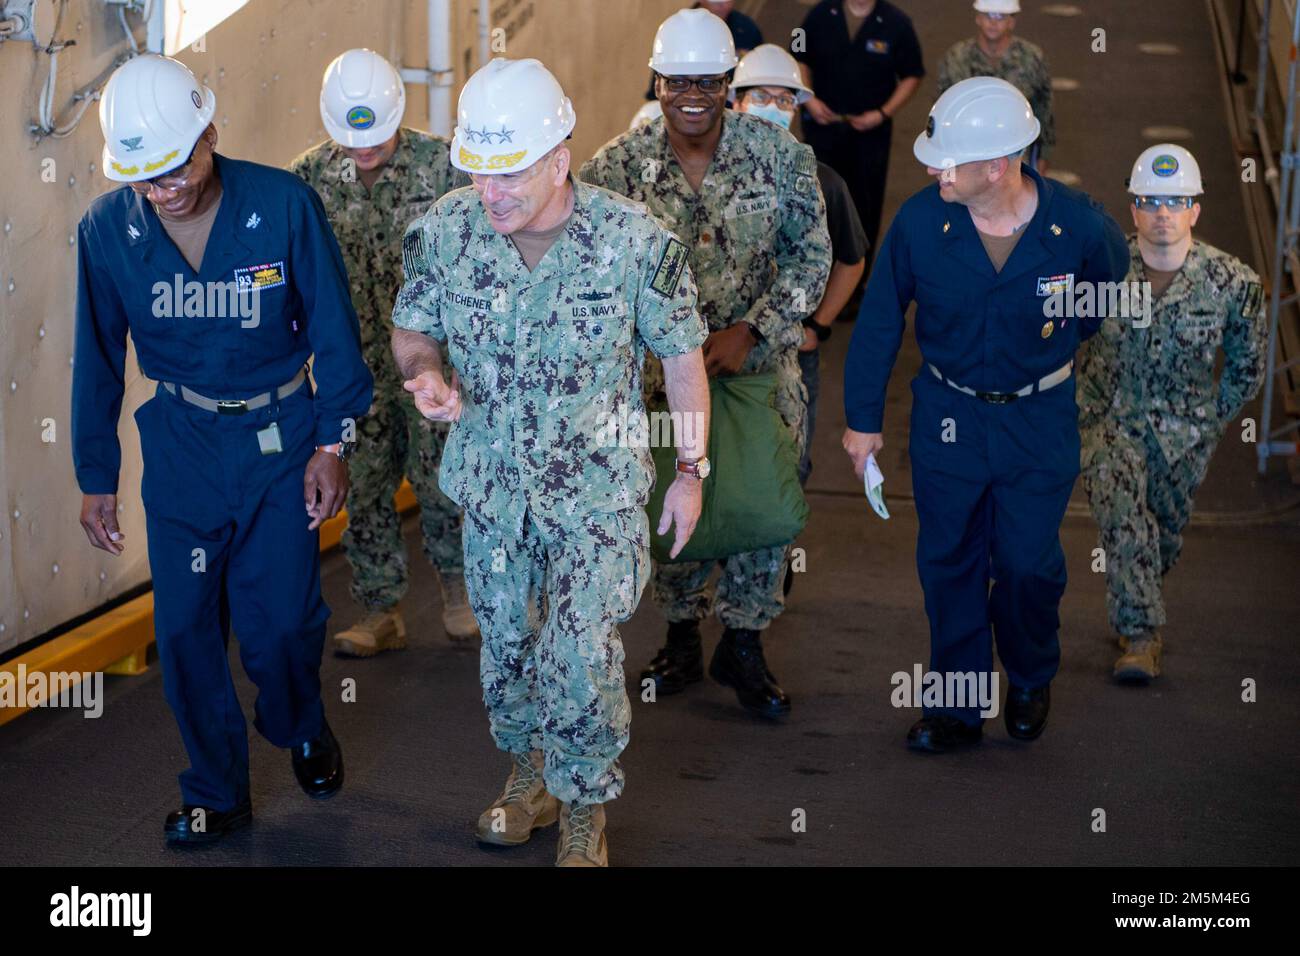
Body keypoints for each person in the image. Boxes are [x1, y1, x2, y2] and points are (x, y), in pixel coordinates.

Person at [390, 58, 710, 866]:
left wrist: (690, 471)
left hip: (595, 498)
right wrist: (424, 374)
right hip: (494, 491)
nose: (489, 192)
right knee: (508, 649)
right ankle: (528, 773)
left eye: (509, 174)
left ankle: (584, 803)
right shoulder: (446, 231)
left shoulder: (636, 241)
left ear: (560, 158)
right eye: (478, 172)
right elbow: (413, 327)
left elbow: (681, 360)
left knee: (578, 647)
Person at [72, 54, 373, 845]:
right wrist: (94, 475)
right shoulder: (107, 231)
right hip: (182, 449)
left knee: (281, 628)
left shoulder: (281, 204)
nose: (165, 187)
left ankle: (301, 722)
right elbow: (97, 359)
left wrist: (333, 441)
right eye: (146, 177)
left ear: (210, 132)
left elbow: (337, 336)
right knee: (183, 633)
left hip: (280, 443)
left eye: (177, 165)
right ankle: (216, 790)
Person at [841, 77, 1128, 753]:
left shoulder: (1078, 225)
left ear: (998, 166)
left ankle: (1029, 673)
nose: (934, 170)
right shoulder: (919, 223)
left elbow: (1104, 288)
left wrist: (1057, 341)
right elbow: (881, 322)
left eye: (949, 161)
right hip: (950, 419)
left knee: (1028, 564)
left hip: (1039, 421)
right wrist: (861, 423)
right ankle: (958, 707)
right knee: (949, 563)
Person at [582, 9, 832, 719]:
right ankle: (683, 632)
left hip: (757, 370)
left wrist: (753, 328)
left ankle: (745, 642)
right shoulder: (615, 169)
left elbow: (811, 257)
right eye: (677, 80)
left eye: (709, 81)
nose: (693, 94)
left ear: (729, 83)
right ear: (656, 82)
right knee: (671, 498)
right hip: (662, 381)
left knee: (761, 502)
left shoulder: (780, 158)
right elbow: (591, 267)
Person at [289, 48, 477, 655]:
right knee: (363, 488)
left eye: (375, 137)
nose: (363, 149)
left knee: (444, 481)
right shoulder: (307, 180)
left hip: (432, 362)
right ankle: (380, 610)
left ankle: (460, 594)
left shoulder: (445, 166)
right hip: (352, 367)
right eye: (350, 139)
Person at [1078, 145, 1266, 683]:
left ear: (1195, 210)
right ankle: (1140, 639)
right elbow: (1062, 333)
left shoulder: (1234, 283)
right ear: (1133, 208)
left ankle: (1138, 594)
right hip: (1106, 419)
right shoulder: (1101, 269)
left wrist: (1209, 423)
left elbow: (1247, 366)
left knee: (1161, 532)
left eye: (1176, 200)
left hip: (1183, 437)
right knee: (1122, 512)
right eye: (1151, 201)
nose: (1163, 212)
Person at [731, 43, 869, 491]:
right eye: (762, 97)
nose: (774, 109)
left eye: (785, 100)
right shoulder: (710, 178)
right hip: (717, 358)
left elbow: (852, 259)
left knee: (786, 471)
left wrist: (819, 327)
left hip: (789, 357)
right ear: (736, 101)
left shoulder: (822, 182)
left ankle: (777, 560)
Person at [794, 0, 924, 273]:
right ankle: (815, 276)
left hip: (870, 135)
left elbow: (913, 74)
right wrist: (809, 99)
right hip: (822, 129)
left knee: (864, 205)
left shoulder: (897, 23)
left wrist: (883, 113)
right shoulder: (818, 15)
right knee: (816, 201)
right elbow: (798, 54)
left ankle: (855, 282)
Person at [937, 0, 1055, 170]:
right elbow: (943, 113)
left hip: (1016, 159)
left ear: (1011, 22)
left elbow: (1044, 112)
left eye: (1000, 16)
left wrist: (1042, 161)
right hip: (966, 159)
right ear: (978, 18)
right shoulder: (956, 58)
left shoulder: (1031, 58)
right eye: (988, 15)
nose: (993, 22)